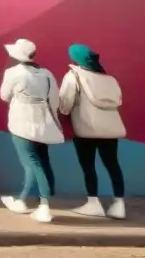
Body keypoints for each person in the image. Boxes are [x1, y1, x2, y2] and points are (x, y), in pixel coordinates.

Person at [0, 38, 64, 223]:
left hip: (21, 121)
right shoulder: (46, 74)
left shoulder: (13, 72)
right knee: (40, 160)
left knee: (32, 162)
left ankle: (44, 204)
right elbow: (55, 100)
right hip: (43, 121)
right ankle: (23, 200)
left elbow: (4, 95)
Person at [59, 43, 127, 220]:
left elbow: (65, 103)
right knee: (113, 165)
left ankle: (93, 203)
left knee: (88, 166)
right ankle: (119, 204)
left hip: (86, 129)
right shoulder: (109, 79)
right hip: (110, 129)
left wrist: (64, 113)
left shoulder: (73, 76)